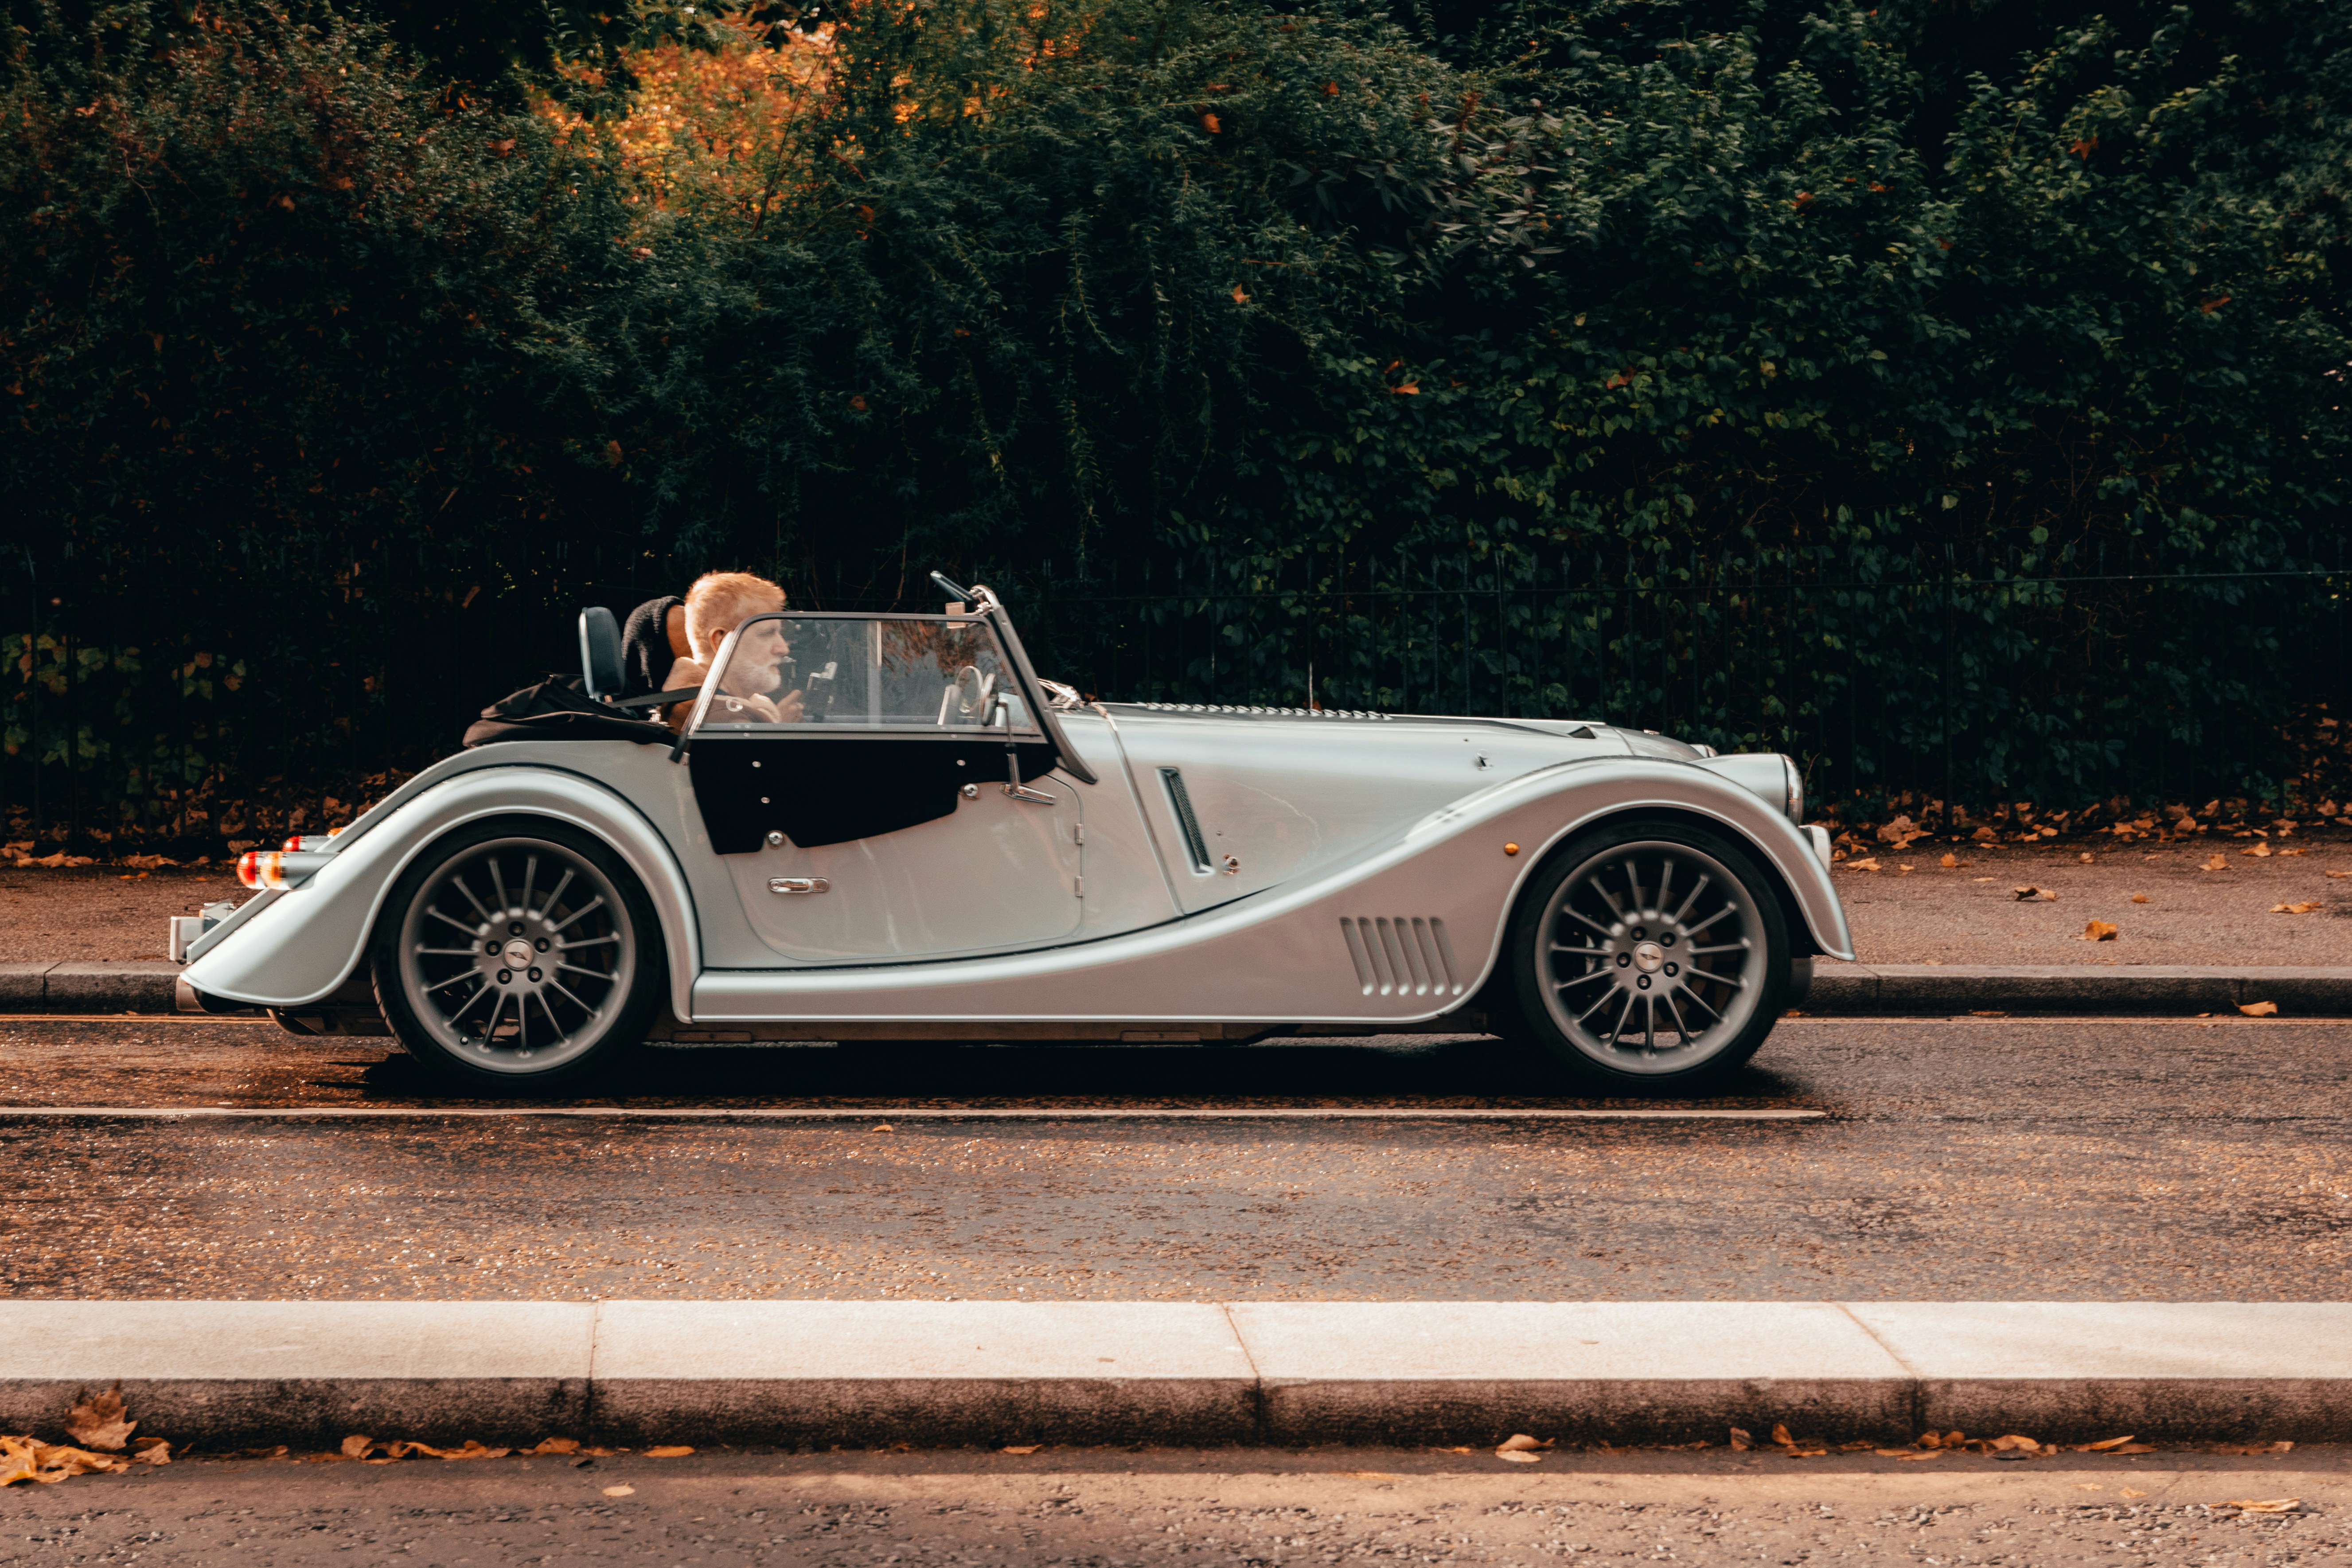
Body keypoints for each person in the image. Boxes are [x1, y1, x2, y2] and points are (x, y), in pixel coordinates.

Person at [660, 571, 805, 730]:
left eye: (779, 633)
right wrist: (779, 728)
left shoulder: (706, 703)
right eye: (766, 634)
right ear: (722, 642)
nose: (783, 648)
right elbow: (754, 755)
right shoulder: (716, 716)